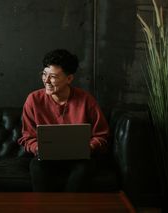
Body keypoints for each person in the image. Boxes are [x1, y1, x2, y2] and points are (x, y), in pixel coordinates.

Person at [18, 49, 110, 192]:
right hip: (46, 159)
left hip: (80, 159)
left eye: (53, 76)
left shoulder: (86, 100)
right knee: (36, 166)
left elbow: (102, 135)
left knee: (85, 167)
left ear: (69, 79)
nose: (46, 80)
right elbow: (27, 137)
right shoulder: (33, 100)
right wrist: (38, 148)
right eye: (44, 74)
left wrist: (89, 147)